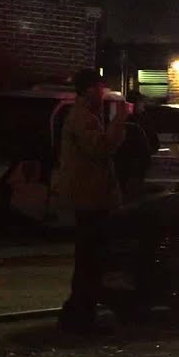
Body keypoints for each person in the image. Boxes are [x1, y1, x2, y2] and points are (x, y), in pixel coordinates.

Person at [55, 69, 128, 334]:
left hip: (92, 197)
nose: (102, 94)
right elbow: (101, 148)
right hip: (90, 199)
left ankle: (82, 310)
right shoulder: (83, 117)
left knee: (92, 257)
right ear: (88, 90)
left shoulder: (86, 115)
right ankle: (79, 312)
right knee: (90, 258)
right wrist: (120, 120)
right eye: (99, 88)